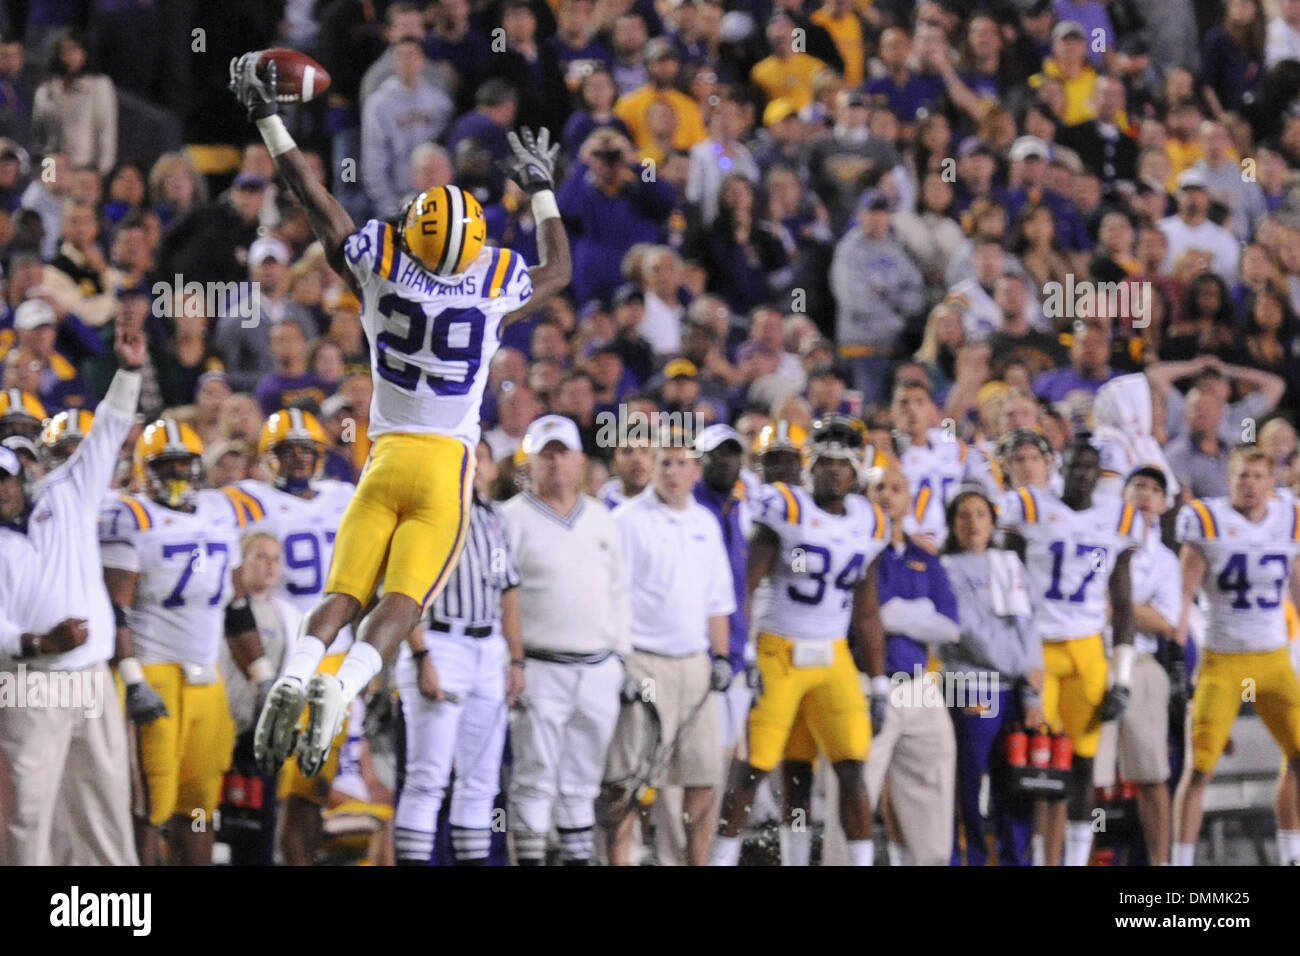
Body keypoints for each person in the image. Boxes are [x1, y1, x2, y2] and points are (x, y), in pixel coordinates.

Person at [227, 54, 571, 782]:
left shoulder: (380, 258)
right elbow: (561, 271)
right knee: (403, 603)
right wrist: (542, 193)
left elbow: (314, 196)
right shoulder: (492, 281)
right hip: (444, 469)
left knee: (341, 595)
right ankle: (340, 689)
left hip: (381, 463)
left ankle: (295, 676)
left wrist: (267, 117)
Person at [711, 416, 889, 867]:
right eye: (824, 461)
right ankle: (720, 859)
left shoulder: (869, 521)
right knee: (753, 767)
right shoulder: (786, 508)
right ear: (809, 465)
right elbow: (746, 585)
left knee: (850, 765)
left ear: (856, 472)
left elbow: (867, 611)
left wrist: (880, 681)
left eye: (841, 464)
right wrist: (746, 650)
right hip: (778, 650)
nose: (832, 471)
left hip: (833, 656)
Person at [0, 326, 144, 867]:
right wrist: (36, 643)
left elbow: (107, 431)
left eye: (6, 479)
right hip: (27, 682)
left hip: (91, 676)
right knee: (28, 811)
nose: (0, 490)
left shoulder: (69, 496)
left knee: (105, 803)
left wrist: (128, 374)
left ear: (29, 475)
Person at [98, 418, 255, 865]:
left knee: (201, 808)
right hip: (153, 673)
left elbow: (238, 607)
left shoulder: (220, 511)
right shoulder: (129, 515)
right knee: (150, 805)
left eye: (182, 466)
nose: (175, 475)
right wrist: (132, 680)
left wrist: (260, 677)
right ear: (145, 469)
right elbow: (116, 611)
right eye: (164, 466)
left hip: (209, 677)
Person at [998, 434, 1141, 866]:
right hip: (1039, 649)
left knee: (1083, 763)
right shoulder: (1031, 507)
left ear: (1101, 475)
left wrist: (1123, 677)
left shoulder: (1118, 518)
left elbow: (1124, 603)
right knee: (1039, 766)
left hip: (1087, 652)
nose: (1081, 474)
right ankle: (1041, 858)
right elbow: (1010, 585)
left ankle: (1076, 860)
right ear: (1062, 466)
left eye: (1089, 467)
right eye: (1075, 466)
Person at [225, 409, 357, 866]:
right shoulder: (248, 500)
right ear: (270, 456)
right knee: (265, 777)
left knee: (313, 783)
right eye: (289, 450)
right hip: (283, 651)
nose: (300, 459)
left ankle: (301, 860)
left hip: (338, 654)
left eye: (307, 450)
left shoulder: (343, 496)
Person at [600, 440, 734, 865]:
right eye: (665, 463)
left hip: (694, 663)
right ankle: (619, 859)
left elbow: (718, 600)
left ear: (697, 471)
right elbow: (609, 596)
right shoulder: (625, 521)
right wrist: (617, 660)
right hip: (643, 659)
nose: (672, 471)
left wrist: (723, 656)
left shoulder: (706, 523)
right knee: (626, 780)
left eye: (681, 463)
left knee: (703, 778)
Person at [503, 415, 630, 865]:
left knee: (582, 782)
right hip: (538, 664)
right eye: (546, 454)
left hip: (597, 667)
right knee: (534, 778)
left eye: (562, 452)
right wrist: (511, 661)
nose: (555, 462)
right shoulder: (510, 518)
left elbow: (619, 591)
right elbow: (500, 597)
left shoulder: (601, 517)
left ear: (578, 460)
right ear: (531, 462)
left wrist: (622, 659)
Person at [395, 439, 525, 866]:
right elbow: (403, 594)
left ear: (489, 468)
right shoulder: (425, 514)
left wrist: (516, 659)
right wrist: (420, 656)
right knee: (428, 778)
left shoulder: (494, 519)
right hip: (440, 641)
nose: (475, 465)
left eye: (482, 457)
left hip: (488, 649)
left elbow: (507, 593)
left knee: (482, 781)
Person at [1172, 446, 1300, 866]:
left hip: (1274, 658)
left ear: (1271, 481)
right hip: (1222, 662)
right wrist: (1178, 653)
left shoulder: (1289, 517)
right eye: (1242, 476)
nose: (1250, 484)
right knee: (1201, 767)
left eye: (1258, 476)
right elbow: (1184, 594)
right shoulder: (1207, 519)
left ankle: (1291, 855)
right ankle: (1181, 861)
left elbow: (1297, 585)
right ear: (1230, 479)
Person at [860, 462, 960, 867]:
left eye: (896, 487)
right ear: (865, 497)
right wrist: (914, 613)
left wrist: (897, 612)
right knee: (854, 798)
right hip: (865, 682)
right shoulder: (858, 548)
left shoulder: (923, 554)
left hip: (920, 684)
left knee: (932, 794)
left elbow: (951, 625)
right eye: (879, 487)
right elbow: (867, 619)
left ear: (909, 497)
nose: (888, 494)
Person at [940, 489, 1041, 866]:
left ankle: (1016, 859)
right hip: (972, 688)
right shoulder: (946, 569)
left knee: (1015, 783)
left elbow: (1031, 624)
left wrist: (1032, 693)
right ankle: (969, 859)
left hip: (1014, 690)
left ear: (993, 522)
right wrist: (1022, 668)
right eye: (964, 515)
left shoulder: (1009, 565)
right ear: (952, 523)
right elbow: (970, 632)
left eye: (981, 514)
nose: (973, 523)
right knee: (968, 782)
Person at [1093, 467, 1182, 865]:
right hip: (1089, 658)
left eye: (1155, 489)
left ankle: (1161, 864)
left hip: (1141, 664)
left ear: (1164, 504)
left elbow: (1167, 621)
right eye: (1138, 486)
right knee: (1084, 775)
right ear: (1122, 495)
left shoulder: (1164, 559)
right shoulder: (1094, 538)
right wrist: (1129, 607)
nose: (1146, 494)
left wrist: (1117, 604)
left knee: (1151, 775)